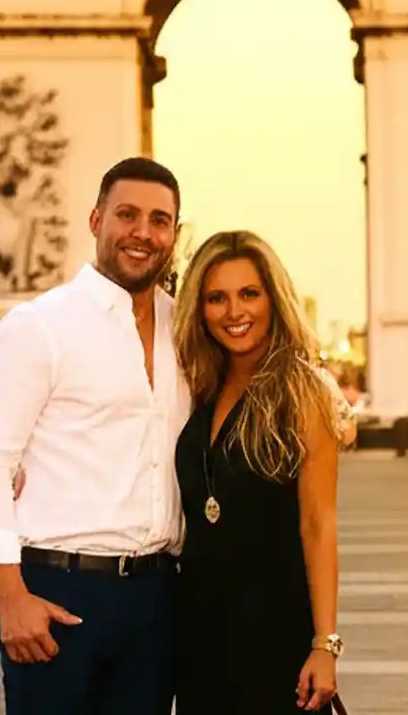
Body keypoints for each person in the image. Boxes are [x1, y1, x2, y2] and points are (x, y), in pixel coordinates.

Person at [0, 157, 190, 715]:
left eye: (159, 220)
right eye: (127, 215)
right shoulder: (39, 327)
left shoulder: (187, 330)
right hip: (58, 591)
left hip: (157, 598)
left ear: (174, 234)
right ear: (95, 220)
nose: (142, 232)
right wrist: (11, 600)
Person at [171, 230, 349, 714]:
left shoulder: (303, 392)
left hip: (274, 629)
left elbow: (318, 524)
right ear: (199, 308)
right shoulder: (198, 387)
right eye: (217, 298)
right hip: (199, 632)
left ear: (274, 298)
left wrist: (325, 644)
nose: (235, 312)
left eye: (249, 293)